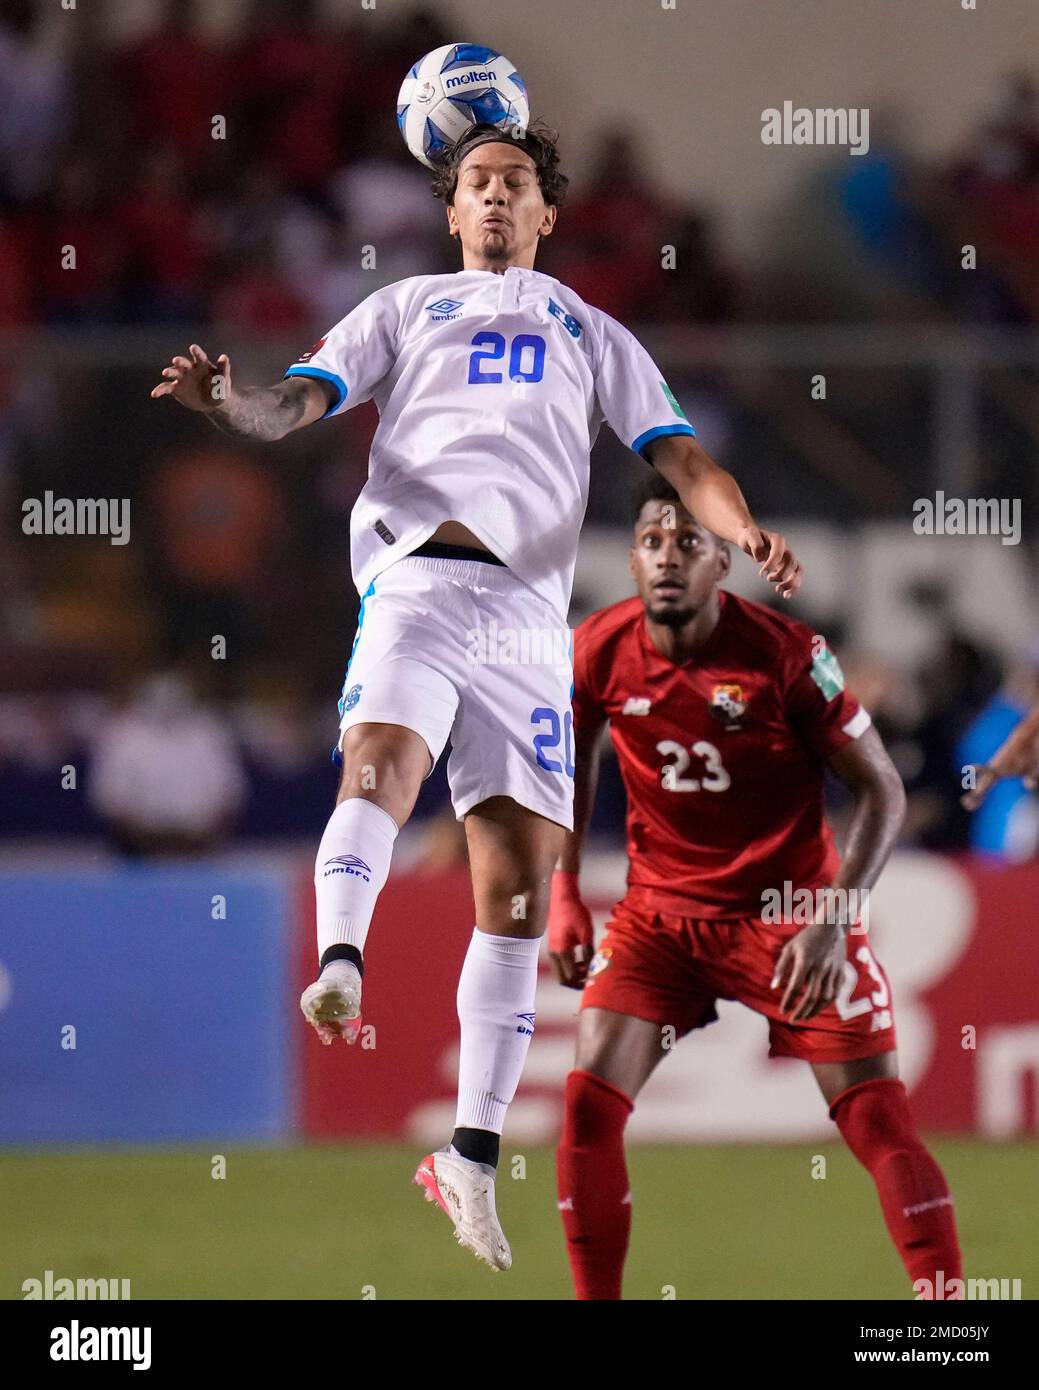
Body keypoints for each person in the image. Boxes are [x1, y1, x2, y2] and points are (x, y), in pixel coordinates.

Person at [150, 117, 801, 1271]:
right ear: (450, 213)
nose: (494, 199)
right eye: (475, 185)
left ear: (547, 215)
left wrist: (741, 527)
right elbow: (294, 406)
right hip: (417, 582)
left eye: (513, 186)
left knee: (514, 891)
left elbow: (682, 458)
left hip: (526, 626)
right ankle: (341, 961)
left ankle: (470, 1156)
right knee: (383, 766)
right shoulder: (402, 310)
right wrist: (228, 406)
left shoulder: (595, 334)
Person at [548, 474, 961, 1300]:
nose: (668, 557)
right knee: (586, 1109)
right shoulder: (594, 648)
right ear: (630, 561)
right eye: (653, 541)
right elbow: (565, 767)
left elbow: (882, 790)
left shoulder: (784, 656)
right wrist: (562, 895)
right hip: (659, 919)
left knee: (877, 1119)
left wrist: (831, 919)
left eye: (689, 542)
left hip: (790, 920)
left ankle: (946, 1322)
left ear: (722, 563)